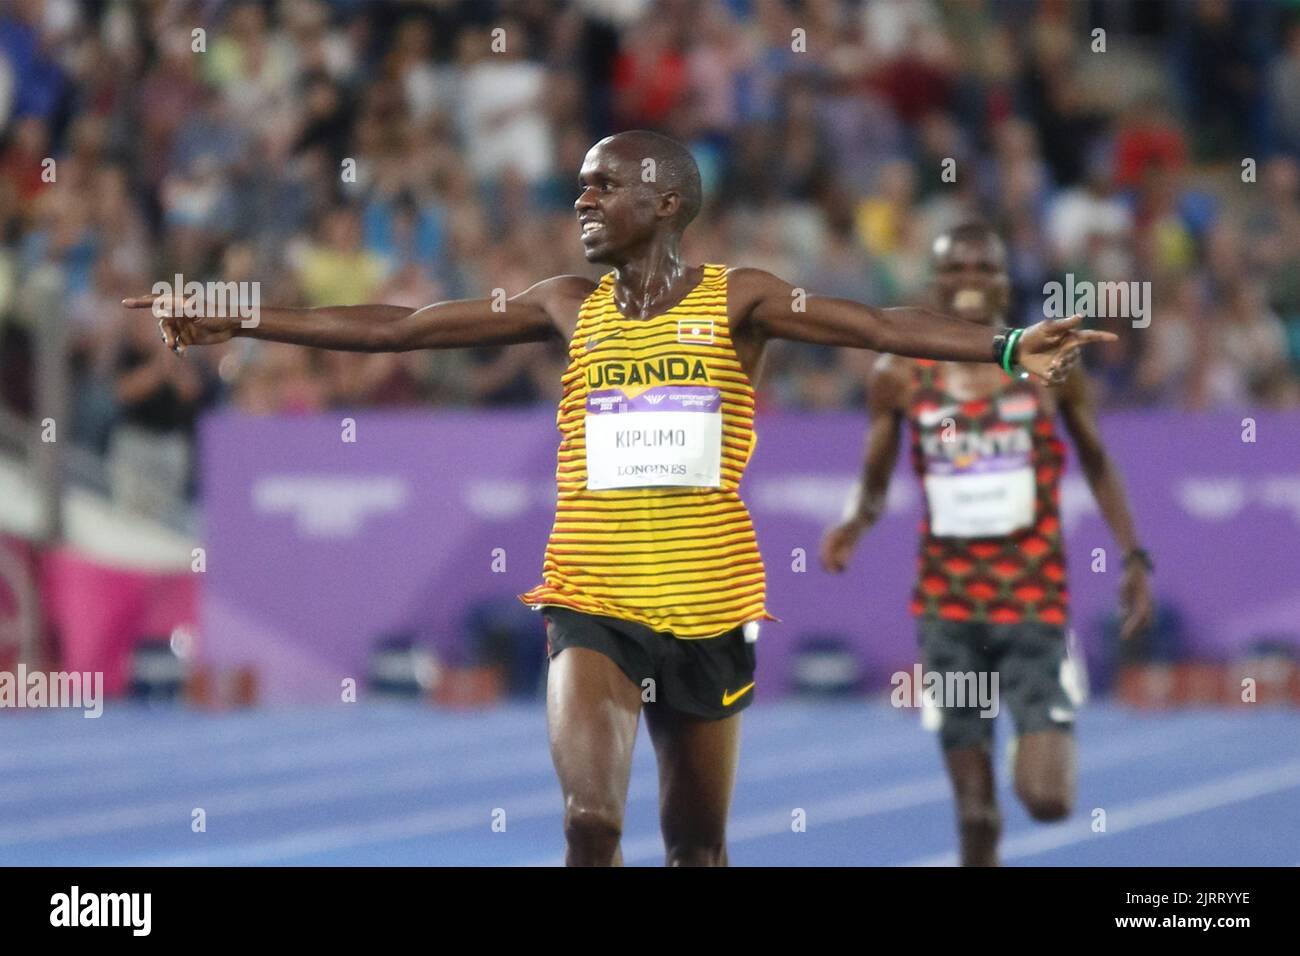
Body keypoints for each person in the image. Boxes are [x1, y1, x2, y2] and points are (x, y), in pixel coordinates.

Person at [126, 132, 1112, 867]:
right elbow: (403, 329)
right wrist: (238, 312)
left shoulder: (742, 297)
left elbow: (875, 322)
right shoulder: (567, 302)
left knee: (696, 848)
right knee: (591, 820)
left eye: (605, 182)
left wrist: (1001, 345)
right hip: (590, 593)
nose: (581, 195)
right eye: (580, 182)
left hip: (713, 600)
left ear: (669, 200)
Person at [820, 221, 1153, 866]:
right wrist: (854, 524)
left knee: (1047, 800)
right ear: (934, 284)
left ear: (1006, 280)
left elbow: (1098, 460)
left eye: (984, 268)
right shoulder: (898, 374)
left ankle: (1041, 722)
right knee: (976, 815)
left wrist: (1134, 554)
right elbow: (874, 477)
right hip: (948, 609)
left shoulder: (1050, 364)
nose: (971, 280)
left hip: (1034, 604)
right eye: (957, 268)